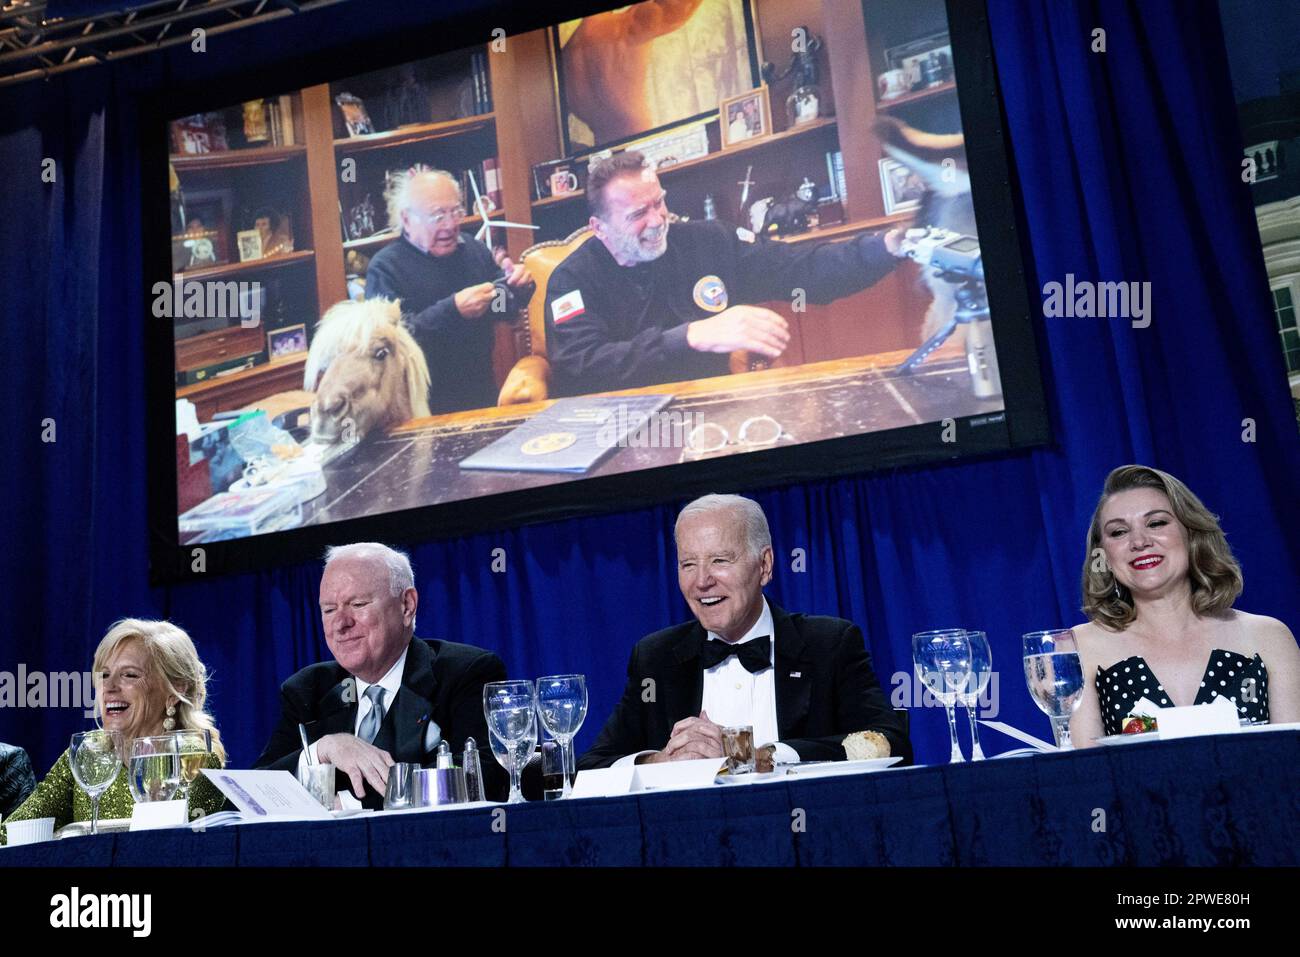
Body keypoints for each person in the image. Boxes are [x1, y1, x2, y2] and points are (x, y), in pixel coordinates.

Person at [577, 494, 911, 769]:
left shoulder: (829, 644)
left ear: (764, 566)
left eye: (720, 560)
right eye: (688, 564)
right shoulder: (656, 658)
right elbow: (591, 766)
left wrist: (761, 756)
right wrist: (660, 761)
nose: (702, 580)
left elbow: (890, 744)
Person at [544, 151, 909, 397]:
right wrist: (690, 336)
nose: (657, 221)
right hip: (622, 427)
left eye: (659, 203)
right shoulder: (572, 280)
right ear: (599, 227)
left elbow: (802, 268)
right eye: (638, 214)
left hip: (720, 408)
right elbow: (582, 367)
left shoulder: (711, 241)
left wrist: (887, 246)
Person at [254, 542, 506, 808]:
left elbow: (480, 778)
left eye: (358, 604)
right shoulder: (307, 689)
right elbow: (252, 793)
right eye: (329, 610)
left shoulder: (465, 672)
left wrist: (350, 803)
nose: (340, 624)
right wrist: (322, 750)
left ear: (407, 606)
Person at [1069, 465, 1300, 744]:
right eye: (1118, 532)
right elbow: (1086, 776)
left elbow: (1292, 767)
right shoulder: (1079, 647)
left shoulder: (1268, 637)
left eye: (1156, 523)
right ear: (1103, 554)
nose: (1139, 542)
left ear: (1192, 535)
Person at [1, 619, 227, 843]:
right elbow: (12, 836)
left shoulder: (196, 760)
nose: (109, 688)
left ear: (174, 689)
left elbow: (179, 848)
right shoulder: (88, 754)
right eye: (104, 675)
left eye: (129, 675)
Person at [365, 166, 533, 413]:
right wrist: (453, 310)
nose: (451, 225)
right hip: (418, 410)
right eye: (438, 216)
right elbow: (387, 344)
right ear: (407, 220)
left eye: (455, 212)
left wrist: (518, 287)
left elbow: (501, 310)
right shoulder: (385, 268)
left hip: (481, 398)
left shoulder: (473, 250)